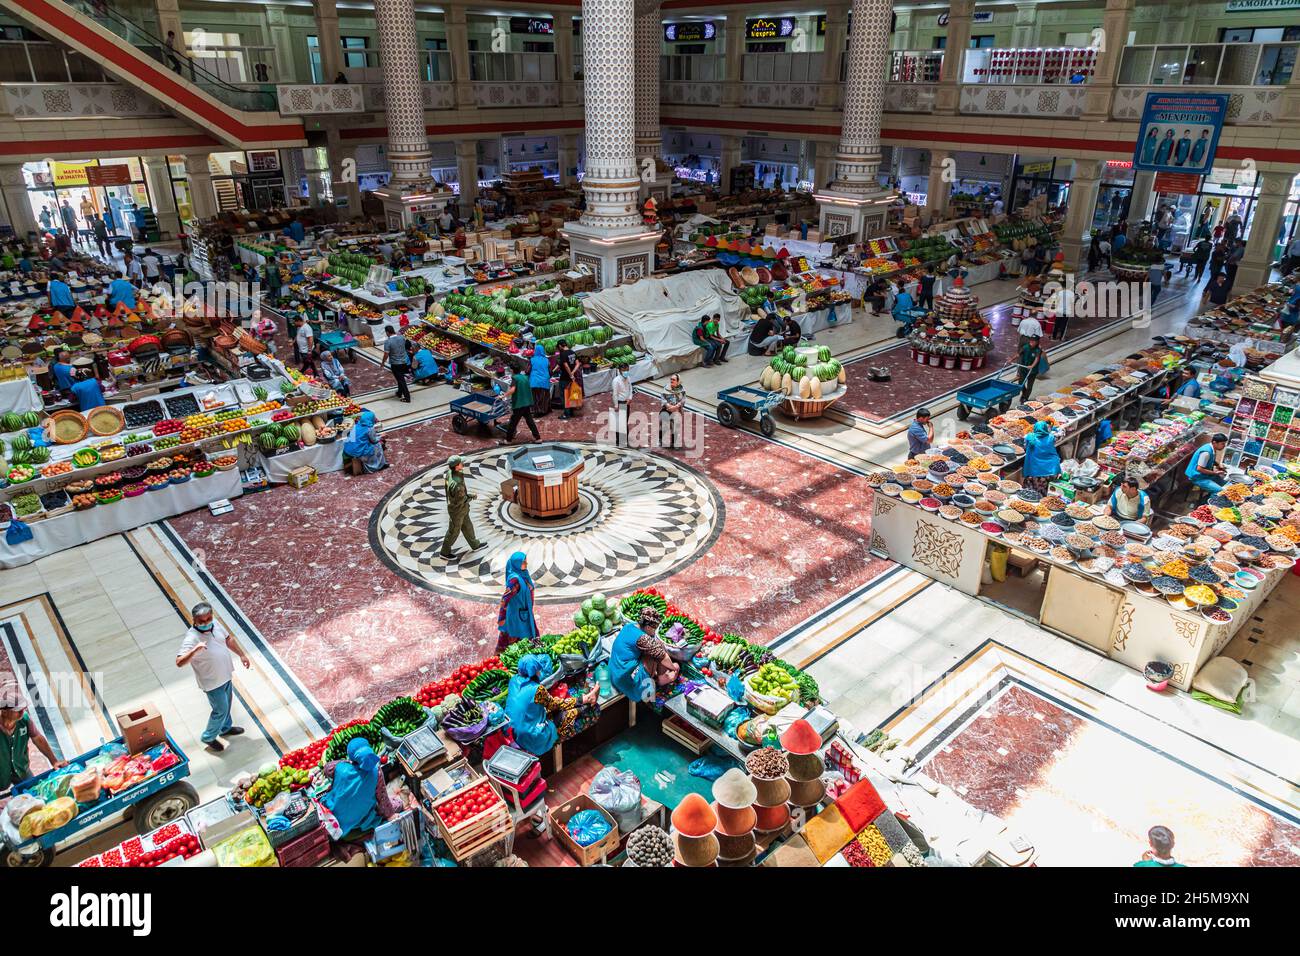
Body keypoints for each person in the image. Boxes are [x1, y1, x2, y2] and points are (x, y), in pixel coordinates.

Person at [175, 602, 250, 754]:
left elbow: (228, 639)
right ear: (194, 620)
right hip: (211, 682)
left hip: (225, 675)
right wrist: (195, 650)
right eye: (201, 621)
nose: (206, 623)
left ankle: (225, 728)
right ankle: (208, 736)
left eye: (208, 619)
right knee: (220, 710)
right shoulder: (192, 638)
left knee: (227, 704)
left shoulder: (215, 624)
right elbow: (179, 662)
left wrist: (241, 654)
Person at [504, 654, 599, 755]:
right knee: (566, 714)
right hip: (532, 737)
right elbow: (555, 705)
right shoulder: (536, 689)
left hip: (517, 734)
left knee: (547, 710)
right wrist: (582, 699)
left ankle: (588, 699)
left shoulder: (513, 681)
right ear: (535, 671)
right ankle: (589, 700)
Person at [318, 738, 397, 838]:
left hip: (332, 816)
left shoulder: (340, 767)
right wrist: (390, 815)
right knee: (397, 803)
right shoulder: (377, 772)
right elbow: (382, 798)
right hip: (358, 821)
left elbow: (327, 768)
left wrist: (347, 762)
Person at [0, 684, 65, 791]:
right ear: (4, 711)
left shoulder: (24, 719)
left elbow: (38, 738)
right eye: (17, 710)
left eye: (23, 708)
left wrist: (54, 761)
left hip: (21, 768)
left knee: (34, 791)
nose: (22, 712)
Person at [609, 607, 680, 704]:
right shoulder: (642, 638)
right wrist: (673, 668)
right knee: (658, 649)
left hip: (615, 671)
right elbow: (663, 656)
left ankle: (658, 673)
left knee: (654, 647)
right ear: (647, 627)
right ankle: (663, 678)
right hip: (626, 679)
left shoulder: (630, 626)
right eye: (654, 629)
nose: (654, 632)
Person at [440, 455, 483, 559]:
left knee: (468, 526)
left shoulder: (450, 473)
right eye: (461, 463)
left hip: (462, 509)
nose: (462, 464)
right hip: (457, 511)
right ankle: (444, 552)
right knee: (454, 531)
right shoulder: (457, 484)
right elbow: (461, 500)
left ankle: (475, 545)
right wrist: (471, 497)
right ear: (456, 466)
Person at [497, 552, 538, 652]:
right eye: (524, 562)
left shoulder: (523, 574)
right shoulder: (514, 580)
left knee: (527, 637)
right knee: (518, 640)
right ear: (517, 564)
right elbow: (505, 599)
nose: (526, 564)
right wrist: (502, 617)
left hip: (525, 614)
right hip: (517, 617)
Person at [1022, 420, 1061, 494]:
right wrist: (1055, 428)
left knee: (1030, 493)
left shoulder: (1029, 437)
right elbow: (1061, 433)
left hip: (1035, 470)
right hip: (1051, 469)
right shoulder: (1052, 437)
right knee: (1046, 491)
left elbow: (1025, 447)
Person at [504, 366, 540, 442]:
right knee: (530, 421)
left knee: (513, 422)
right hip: (527, 402)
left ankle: (508, 440)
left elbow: (512, 390)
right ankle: (538, 438)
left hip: (519, 403)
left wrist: (503, 396)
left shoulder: (515, 378)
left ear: (512, 370)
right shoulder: (525, 377)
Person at [380, 325, 411, 402]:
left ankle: (407, 397)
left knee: (401, 380)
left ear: (387, 332)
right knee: (400, 378)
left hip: (395, 364)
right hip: (404, 362)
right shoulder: (401, 337)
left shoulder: (388, 342)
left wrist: (383, 363)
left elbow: (386, 354)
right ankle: (399, 393)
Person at [1017, 334, 1047, 400]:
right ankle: (1024, 394)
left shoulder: (1038, 350)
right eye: (1031, 340)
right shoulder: (1025, 347)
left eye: (1033, 341)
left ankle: (1025, 398)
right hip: (1024, 369)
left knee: (1029, 386)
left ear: (1037, 342)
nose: (1031, 342)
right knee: (1020, 383)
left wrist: (1032, 366)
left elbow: (1037, 359)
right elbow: (1018, 354)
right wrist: (1011, 359)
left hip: (1032, 371)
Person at [659, 374, 686, 450]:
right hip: (667, 409)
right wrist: (668, 405)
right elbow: (662, 398)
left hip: (676, 409)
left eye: (673, 380)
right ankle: (661, 439)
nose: (671, 381)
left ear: (678, 381)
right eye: (671, 379)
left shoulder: (682, 390)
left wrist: (676, 406)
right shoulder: (666, 388)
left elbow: (683, 400)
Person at [557, 339, 582, 418]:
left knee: (564, 395)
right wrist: (573, 373)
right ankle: (571, 411)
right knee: (570, 395)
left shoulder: (563, 354)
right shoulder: (572, 352)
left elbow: (566, 365)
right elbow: (578, 364)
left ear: (560, 346)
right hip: (571, 378)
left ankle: (566, 414)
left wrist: (570, 374)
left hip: (564, 377)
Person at [611, 362, 632, 447]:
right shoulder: (616, 381)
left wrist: (630, 398)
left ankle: (625, 440)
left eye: (627, 370)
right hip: (620, 403)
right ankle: (618, 441)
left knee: (625, 421)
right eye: (624, 370)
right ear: (620, 371)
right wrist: (616, 405)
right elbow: (615, 394)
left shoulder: (628, 378)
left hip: (627, 402)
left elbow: (630, 388)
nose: (626, 371)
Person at [528, 344, 552, 416]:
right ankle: (543, 410)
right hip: (544, 381)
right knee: (544, 397)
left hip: (534, 381)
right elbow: (550, 371)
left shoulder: (532, 359)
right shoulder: (546, 360)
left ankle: (535, 411)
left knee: (535, 397)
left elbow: (527, 371)